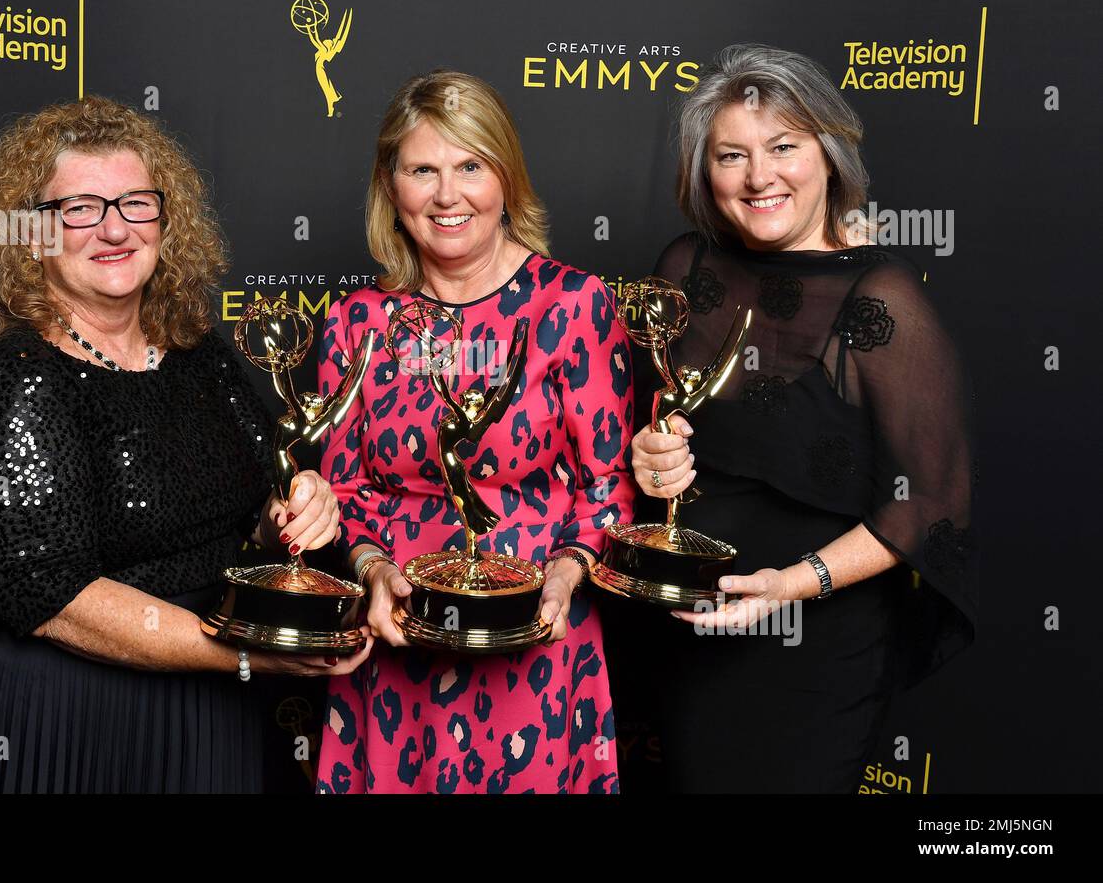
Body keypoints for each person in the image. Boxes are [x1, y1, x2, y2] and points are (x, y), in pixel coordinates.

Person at [0, 95, 372, 793]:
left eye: (134, 203)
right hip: (56, 719)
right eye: (80, 209)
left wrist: (300, 506)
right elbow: (52, 595)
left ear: (166, 218)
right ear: (30, 234)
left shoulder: (197, 354)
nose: (113, 229)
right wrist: (248, 655)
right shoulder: (17, 376)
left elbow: (254, 502)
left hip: (201, 707)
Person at [627, 44, 977, 792]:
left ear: (827, 152)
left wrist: (796, 583)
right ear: (703, 172)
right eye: (732, 155)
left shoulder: (882, 297)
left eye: (783, 146)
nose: (760, 176)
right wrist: (651, 455)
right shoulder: (685, 268)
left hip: (818, 648)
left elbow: (931, 502)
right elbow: (653, 426)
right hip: (689, 636)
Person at [314, 71, 634, 793]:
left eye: (469, 166)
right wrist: (372, 571)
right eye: (422, 169)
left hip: (536, 647)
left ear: (506, 178)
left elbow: (607, 484)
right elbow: (345, 486)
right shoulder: (356, 323)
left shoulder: (573, 304)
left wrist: (567, 572)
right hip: (399, 646)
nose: (447, 194)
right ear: (390, 187)